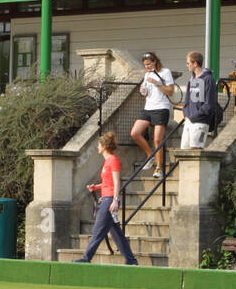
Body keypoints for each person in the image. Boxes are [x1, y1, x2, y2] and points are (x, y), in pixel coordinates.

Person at [73, 131, 137, 265]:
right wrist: (96, 187)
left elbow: (116, 181)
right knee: (117, 234)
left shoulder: (113, 160)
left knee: (98, 230)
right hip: (107, 198)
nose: (97, 147)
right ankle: (131, 260)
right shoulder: (107, 161)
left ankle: (86, 258)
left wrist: (115, 200)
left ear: (104, 146)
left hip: (109, 201)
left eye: (98, 145)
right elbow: (108, 182)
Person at [130, 51, 175, 179]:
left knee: (157, 139)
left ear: (155, 61)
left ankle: (159, 167)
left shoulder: (165, 72)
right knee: (135, 133)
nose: (147, 67)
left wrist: (157, 83)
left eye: (149, 64)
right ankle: (150, 155)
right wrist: (142, 91)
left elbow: (170, 91)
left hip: (161, 108)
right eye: (145, 65)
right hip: (148, 108)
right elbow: (146, 92)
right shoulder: (147, 74)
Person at [180, 52, 219, 149]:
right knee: (184, 150)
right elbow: (187, 100)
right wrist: (186, 113)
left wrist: (197, 114)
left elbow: (209, 103)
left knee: (196, 149)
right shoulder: (192, 79)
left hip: (200, 121)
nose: (187, 65)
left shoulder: (208, 79)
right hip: (189, 120)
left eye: (188, 63)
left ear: (195, 64)